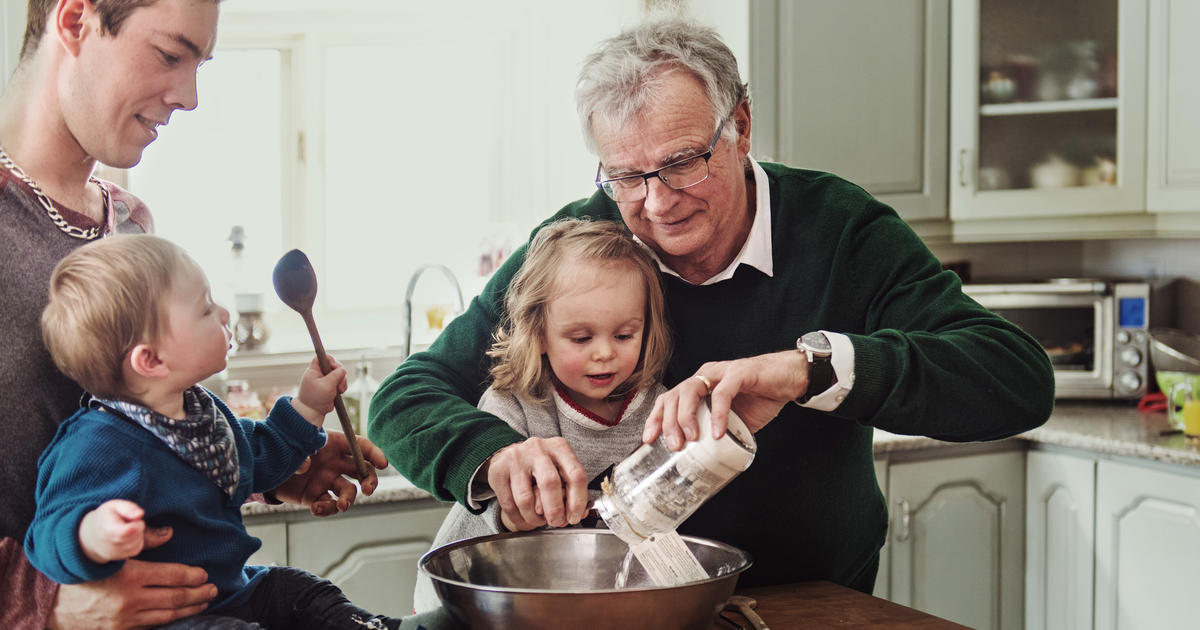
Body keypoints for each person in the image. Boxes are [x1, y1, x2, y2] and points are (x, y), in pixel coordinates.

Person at [369, 16, 1055, 594]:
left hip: (809, 602)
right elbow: (406, 396)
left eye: (681, 162)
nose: (657, 202)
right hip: (631, 612)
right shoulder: (583, 248)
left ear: (742, 126)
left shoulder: (838, 229)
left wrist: (807, 371)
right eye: (627, 177)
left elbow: (1016, 379)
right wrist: (491, 459)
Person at [0, 1, 388, 627]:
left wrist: (264, 469)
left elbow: (145, 429)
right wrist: (49, 606)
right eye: (170, 54)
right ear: (75, 22)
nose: (190, 97)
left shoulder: (129, 227)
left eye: (200, 64)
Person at [27, 234, 455, 630]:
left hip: (233, 590)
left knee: (298, 590)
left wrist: (307, 406)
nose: (225, 314)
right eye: (205, 308)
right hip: (172, 618)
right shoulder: (98, 445)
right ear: (152, 361)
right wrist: (92, 535)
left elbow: (261, 458)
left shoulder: (201, 411)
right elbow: (46, 536)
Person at [412, 218, 672, 611]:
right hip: (469, 597)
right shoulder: (512, 404)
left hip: (571, 600)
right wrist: (523, 510)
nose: (604, 352)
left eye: (624, 335)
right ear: (538, 334)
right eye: (581, 338)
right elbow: (501, 512)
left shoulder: (659, 407)